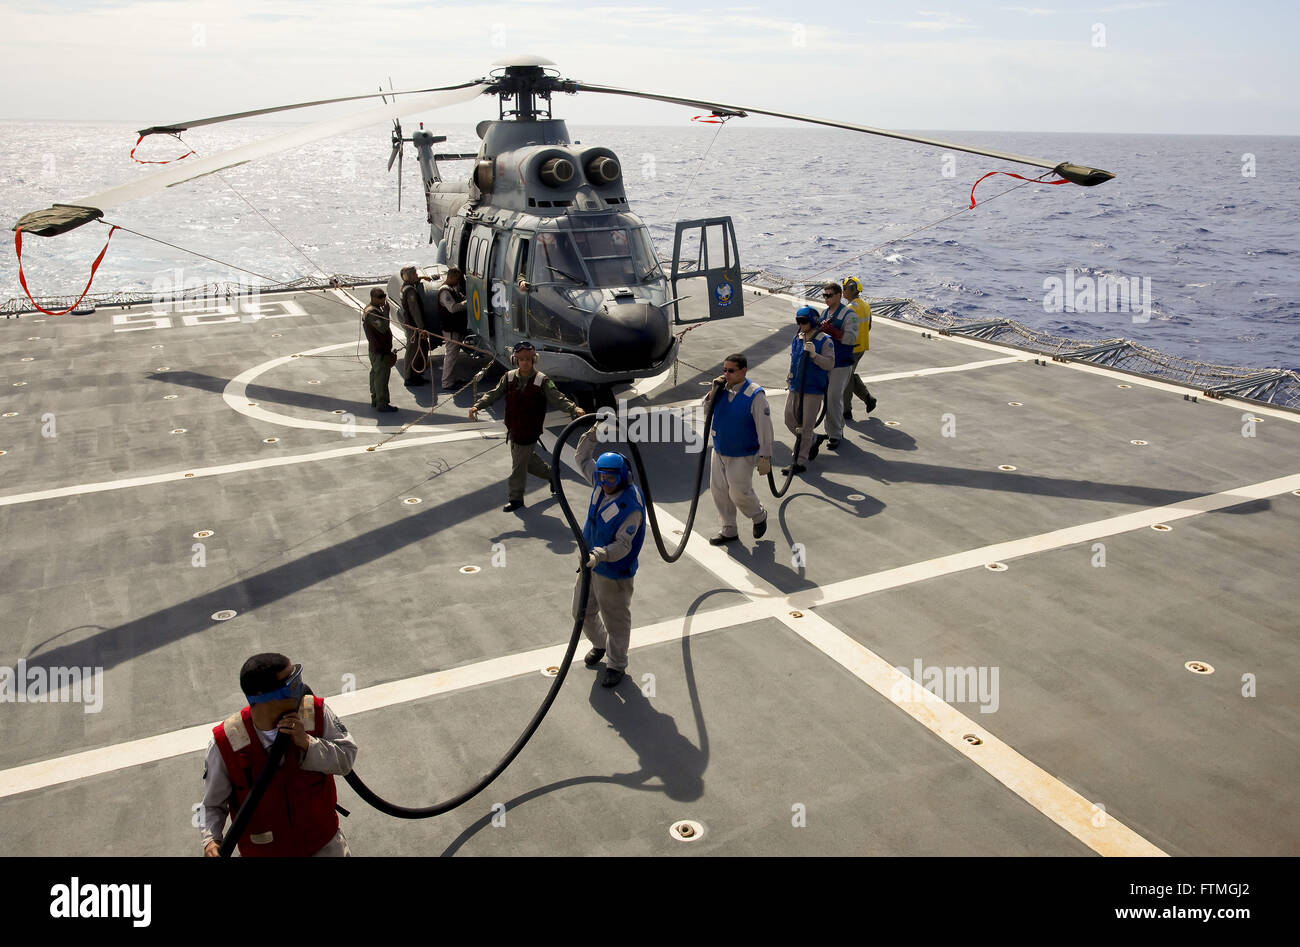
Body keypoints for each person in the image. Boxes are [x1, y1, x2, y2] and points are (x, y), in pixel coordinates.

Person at [200, 654, 357, 857]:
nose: (301, 689)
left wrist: (307, 743)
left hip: (324, 847)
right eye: (293, 685)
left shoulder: (314, 712)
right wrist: (211, 840)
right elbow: (211, 805)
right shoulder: (227, 742)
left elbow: (346, 759)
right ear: (264, 697)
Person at [469, 341, 586, 511]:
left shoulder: (542, 381)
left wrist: (574, 408)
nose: (525, 362)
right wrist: (477, 406)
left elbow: (557, 398)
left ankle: (516, 498)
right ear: (515, 360)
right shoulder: (508, 377)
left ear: (534, 360)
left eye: (528, 359)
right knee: (528, 462)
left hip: (529, 430)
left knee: (518, 466)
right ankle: (552, 475)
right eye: (521, 359)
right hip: (514, 429)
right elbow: (493, 394)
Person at [574, 423, 646, 688]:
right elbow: (582, 458)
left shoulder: (631, 505)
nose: (603, 483)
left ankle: (617, 664)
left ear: (623, 477)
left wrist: (600, 555)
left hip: (613, 571)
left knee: (616, 620)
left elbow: (624, 546)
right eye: (601, 477)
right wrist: (592, 434)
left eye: (610, 479)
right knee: (580, 612)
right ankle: (600, 644)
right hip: (590, 563)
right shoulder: (601, 480)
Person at [702, 352, 773, 545]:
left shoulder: (755, 395)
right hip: (720, 449)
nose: (726, 374)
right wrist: (713, 391)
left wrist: (765, 456)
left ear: (743, 370)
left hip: (742, 452)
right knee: (719, 491)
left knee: (739, 491)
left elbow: (764, 427)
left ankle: (758, 515)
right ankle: (729, 529)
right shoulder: (721, 389)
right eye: (724, 370)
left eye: (731, 370)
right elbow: (706, 409)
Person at [784, 306, 835, 476]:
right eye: (798, 321)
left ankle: (799, 461)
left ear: (812, 321)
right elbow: (794, 360)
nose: (800, 324)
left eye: (803, 321)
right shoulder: (797, 337)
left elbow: (829, 364)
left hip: (813, 389)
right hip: (795, 386)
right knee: (789, 420)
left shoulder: (824, 340)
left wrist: (815, 356)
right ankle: (813, 439)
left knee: (805, 426)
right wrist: (789, 378)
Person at [816, 282, 859, 450]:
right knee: (827, 398)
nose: (826, 298)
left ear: (839, 296)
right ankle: (836, 428)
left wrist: (834, 331)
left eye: (829, 295)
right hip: (826, 362)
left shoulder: (849, 315)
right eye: (824, 295)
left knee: (833, 397)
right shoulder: (825, 313)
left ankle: (834, 434)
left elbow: (851, 339)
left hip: (841, 364)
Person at [841, 276, 877, 420]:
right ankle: (868, 399)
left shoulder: (849, 309)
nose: (843, 292)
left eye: (844, 289)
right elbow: (868, 326)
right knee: (849, 376)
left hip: (851, 349)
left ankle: (846, 411)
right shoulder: (866, 305)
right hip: (861, 347)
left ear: (851, 290)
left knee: (845, 379)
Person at [362, 287, 398, 413]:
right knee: (381, 377)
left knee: (375, 375)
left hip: (377, 350)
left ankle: (375, 399)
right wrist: (386, 312)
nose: (383, 299)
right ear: (373, 298)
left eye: (384, 296)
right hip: (379, 351)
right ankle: (381, 403)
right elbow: (382, 328)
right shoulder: (373, 312)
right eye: (380, 297)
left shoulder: (373, 310)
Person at [399, 266, 431, 387]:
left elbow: (414, 280)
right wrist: (421, 327)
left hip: (410, 326)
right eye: (414, 274)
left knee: (419, 350)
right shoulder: (410, 291)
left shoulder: (405, 287)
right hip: (414, 327)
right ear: (408, 276)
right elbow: (415, 311)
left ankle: (416, 375)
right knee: (413, 351)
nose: (416, 275)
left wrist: (422, 278)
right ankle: (409, 377)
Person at [438, 267, 469, 391]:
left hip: (455, 328)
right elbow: (452, 308)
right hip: (450, 329)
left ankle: (451, 379)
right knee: (450, 355)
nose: (458, 281)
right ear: (450, 277)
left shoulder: (452, 289)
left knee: (453, 356)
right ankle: (447, 382)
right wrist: (468, 303)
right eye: (456, 278)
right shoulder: (445, 292)